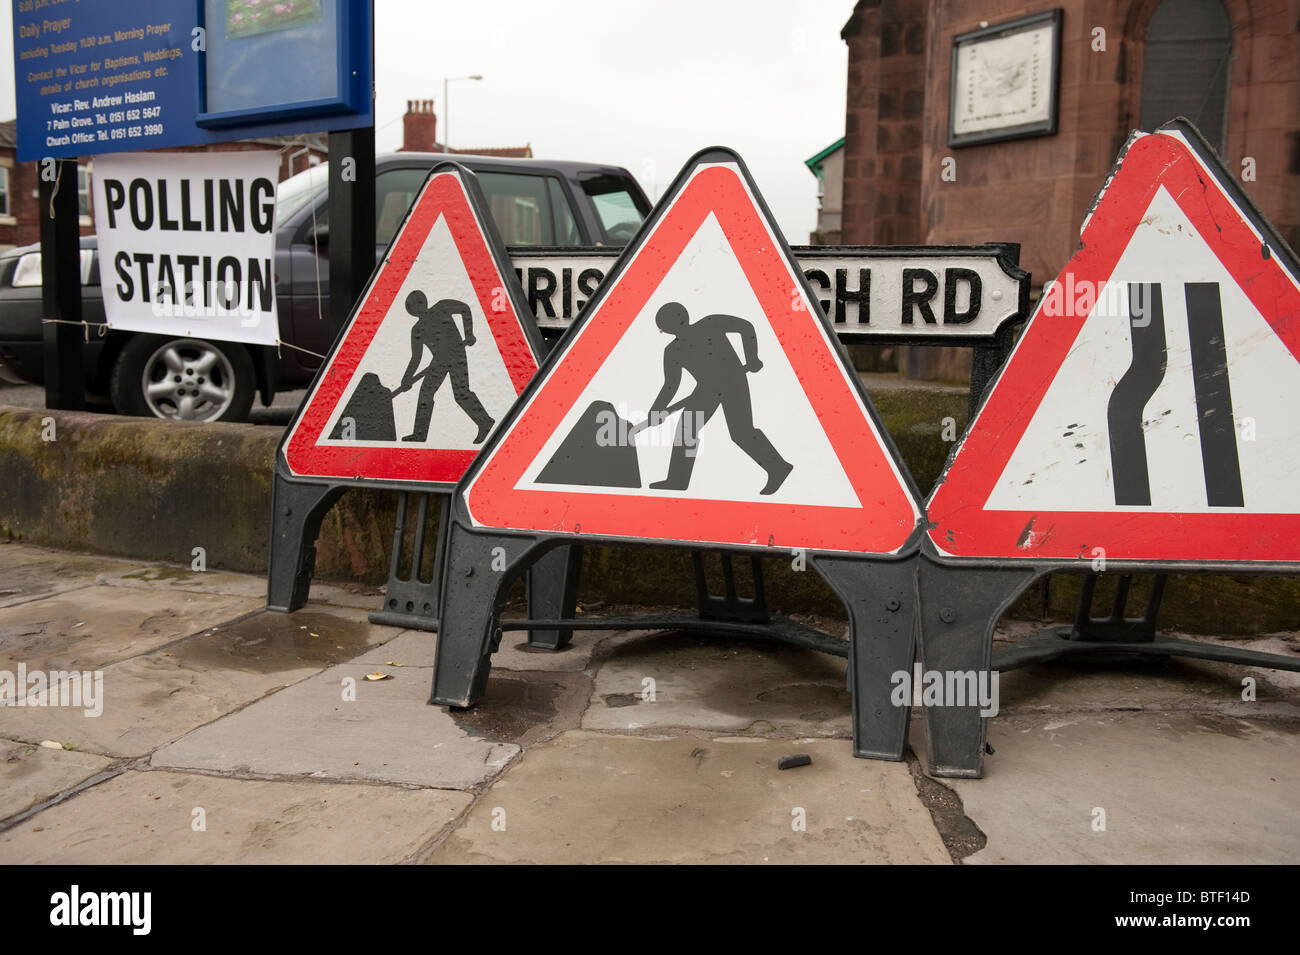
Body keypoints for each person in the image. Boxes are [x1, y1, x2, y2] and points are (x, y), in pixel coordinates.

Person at [633, 302, 792, 494]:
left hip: (733, 381)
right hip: (706, 389)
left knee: (741, 432)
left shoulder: (709, 324)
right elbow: (670, 385)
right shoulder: (675, 349)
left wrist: (752, 358)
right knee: (686, 430)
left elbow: (745, 327)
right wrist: (656, 410)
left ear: (665, 329)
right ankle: (677, 480)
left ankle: (778, 467)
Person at [396, 291, 495, 443]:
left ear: (424, 302)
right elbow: (416, 357)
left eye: (419, 304)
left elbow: (464, 308)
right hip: (438, 361)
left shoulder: (441, 307)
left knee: (461, 393)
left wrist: (468, 333)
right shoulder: (417, 329)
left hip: (456, 354)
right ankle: (419, 435)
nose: (418, 309)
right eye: (414, 308)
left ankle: (485, 422)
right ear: (412, 312)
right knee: (425, 394)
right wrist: (406, 378)